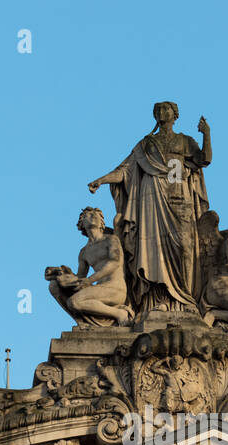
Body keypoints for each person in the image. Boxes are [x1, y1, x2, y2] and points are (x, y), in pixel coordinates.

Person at [88, 101, 212, 312]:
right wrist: (102, 180)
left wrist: (206, 134)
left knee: (185, 247)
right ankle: (156, 300)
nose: (162, 112)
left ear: (175, 115)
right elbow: (125, 170)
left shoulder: (185, 141)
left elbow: (205, 159)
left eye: (166, 109)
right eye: (158, 110)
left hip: (180, 198)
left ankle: (185, 299)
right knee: (152, 247)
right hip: (150, 200)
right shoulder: (146, 144)